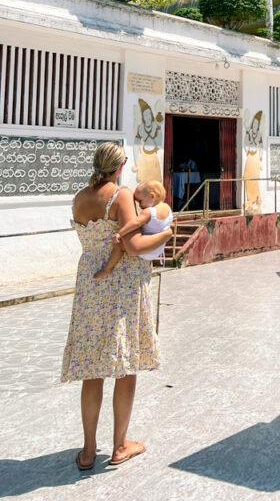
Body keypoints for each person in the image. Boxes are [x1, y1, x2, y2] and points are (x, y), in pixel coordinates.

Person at [61, 142, 173, 470]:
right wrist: (167, 235)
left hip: (90, 283)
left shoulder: (79, 199)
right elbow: (133, 246)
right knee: (125, 365)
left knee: (93, 369)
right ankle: (120, 445)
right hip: (122, 284)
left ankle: (87, 451)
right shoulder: (121, 195)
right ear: (119, 167)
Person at [93, 178, 173, 279]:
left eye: (140, 201)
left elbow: (136, 223)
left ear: (152, 196)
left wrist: (120, 233)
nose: (140, 205)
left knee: (119, 246)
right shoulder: (168, 209)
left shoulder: (149, 212)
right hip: (158, 249)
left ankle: (107, 269)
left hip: (146, 250)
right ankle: (149, 264)